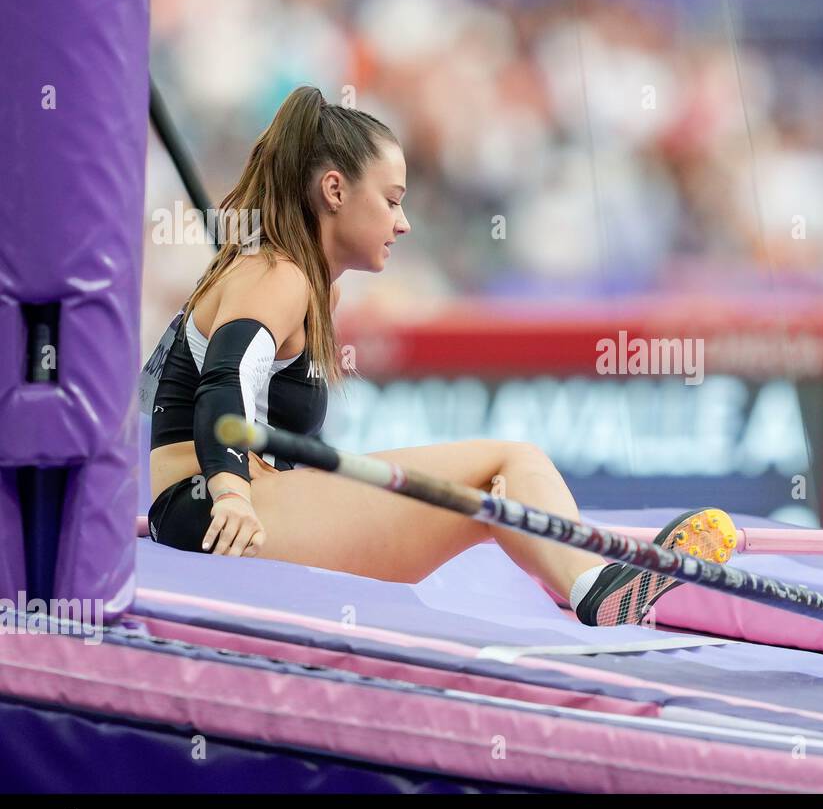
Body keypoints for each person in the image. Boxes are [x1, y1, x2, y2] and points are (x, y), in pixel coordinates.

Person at [143, 86, 734, 627]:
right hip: (213, 512)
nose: (403, 223)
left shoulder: (311, 284)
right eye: (392, 200)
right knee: (511, 458)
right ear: (334, 190)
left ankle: (591, 586)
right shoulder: (279, 273)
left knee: (495, 498)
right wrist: (231, 495)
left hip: (237, 501)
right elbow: (224, 386)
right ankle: (595, 587)